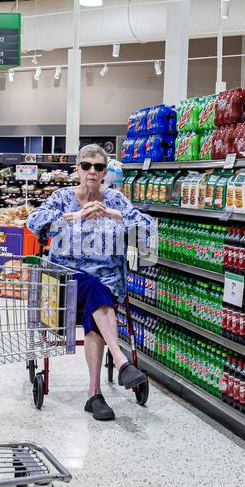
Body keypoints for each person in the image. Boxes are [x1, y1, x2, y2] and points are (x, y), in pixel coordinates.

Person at [27, 145, 156, 420]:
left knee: (96, 296)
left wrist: (111, 213)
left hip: (104, 287)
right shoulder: (62, 197)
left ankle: (94, 394)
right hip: (65, 285)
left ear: (105, 172)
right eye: (86, 166)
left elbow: (147, 226)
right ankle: (120, 362)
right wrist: (74, 216)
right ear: (77, 169)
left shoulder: (116, 200)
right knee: (92, 287)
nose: (92, 172)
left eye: (98, 167)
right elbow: (33, 221)